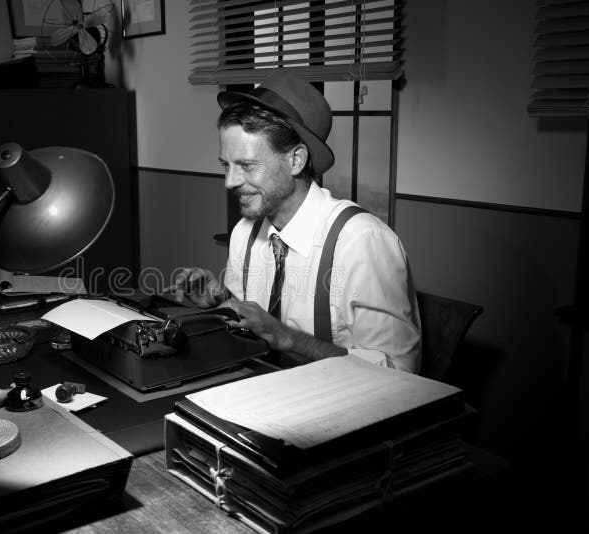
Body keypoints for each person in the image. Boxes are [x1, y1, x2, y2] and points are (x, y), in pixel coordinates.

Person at [175, 70, 421, 373]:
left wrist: (287, 338)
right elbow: (250, 328)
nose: (230, 182)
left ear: (296, 160)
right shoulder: (245, 233)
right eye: (226, 165)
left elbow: (400, 374)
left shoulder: (362, 242)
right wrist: (221, 301)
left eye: (247, 166)